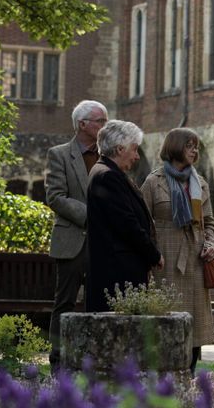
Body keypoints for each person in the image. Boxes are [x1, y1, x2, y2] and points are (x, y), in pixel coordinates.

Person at [140, 128, 214, 373]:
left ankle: (189, 378)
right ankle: (162, 378)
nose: (194, 151)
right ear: (175, 147)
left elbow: (209, 223)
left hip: (195, 261)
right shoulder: (153, 182)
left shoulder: (200, 183)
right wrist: (151, 255)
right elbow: (142, 224)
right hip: (166, 262)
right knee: (165, 323)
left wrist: (211, 245)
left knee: (194, 327)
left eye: (196, 146)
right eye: (189, 146)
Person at [43, 99, 107, 368]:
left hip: (103, 243)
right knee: (64, 303)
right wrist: (92, 216)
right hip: (72, 240)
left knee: (100, 303)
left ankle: (95, 359)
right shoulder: (59, 154)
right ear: (82, 124)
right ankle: (58, 360)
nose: (105, 125)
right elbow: (55, 197)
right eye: (101, 121)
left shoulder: (108, 156)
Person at [85, 120, 163, 312]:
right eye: (134, 149)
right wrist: (153, 254)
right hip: (117, 272)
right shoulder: (108, 176)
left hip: (119, 268)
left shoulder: (108, 172)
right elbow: (127, 224)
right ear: (120, 149)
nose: (137, 156)